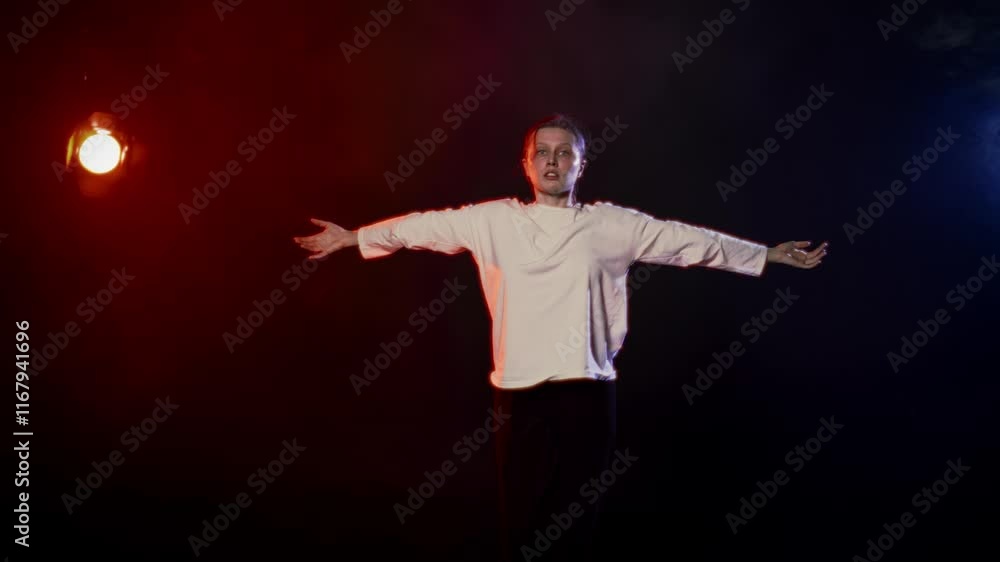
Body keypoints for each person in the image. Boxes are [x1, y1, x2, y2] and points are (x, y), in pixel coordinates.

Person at [293, 114, 828, 561]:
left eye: (564, 153)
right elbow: (420, 226)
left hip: (587, 390)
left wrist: (765, 255)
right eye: (542, 153)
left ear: (580, 165)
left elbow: (688, 241)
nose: (552, 161)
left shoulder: (612, 224)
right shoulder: (492, 221)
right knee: (521, 523)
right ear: (526, 164)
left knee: (577, 523)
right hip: (518, 393)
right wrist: (355, 238)